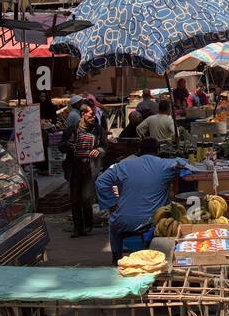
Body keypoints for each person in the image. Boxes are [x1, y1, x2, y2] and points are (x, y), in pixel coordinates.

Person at [96, 137, 191, 261]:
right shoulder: (165, 165)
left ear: (139, 150)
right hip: (154, 222)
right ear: (158, 150)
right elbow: (185, 163)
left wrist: (112, 204)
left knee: (113, 224)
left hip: (124, 220)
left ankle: (116, 257)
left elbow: (100, 182)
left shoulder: (123, 165)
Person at [64, 102, 104, 238]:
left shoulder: (98, 130)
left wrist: (98, 150)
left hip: (89, 168)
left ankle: (88, 224)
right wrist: (68, 145)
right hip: (74, 168)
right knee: (75, 199)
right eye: (91, 114)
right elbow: (61, 146)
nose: (94, 117)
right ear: (83, 114)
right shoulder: (71, 130)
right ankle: (77, 228)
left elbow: (104, 145)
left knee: (86, 198)